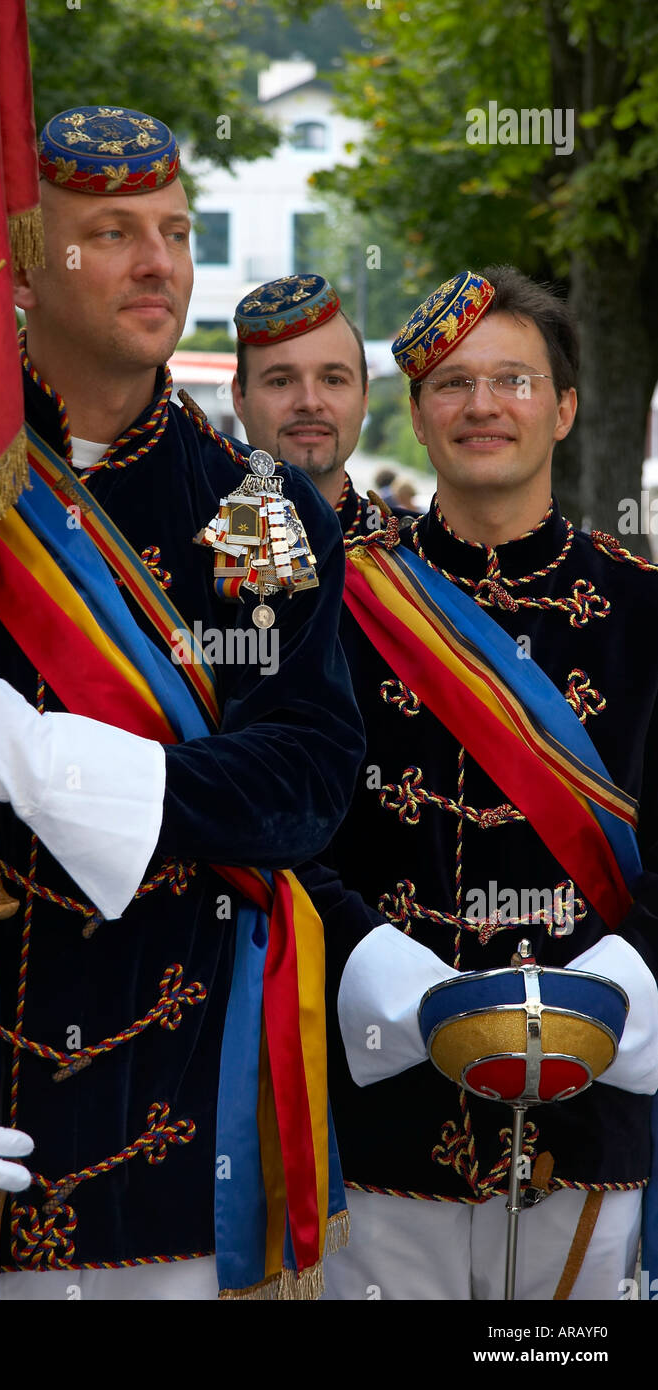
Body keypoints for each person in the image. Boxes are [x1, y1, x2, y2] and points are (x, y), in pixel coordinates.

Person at [0, 107, 364, 1300]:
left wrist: (49, 761)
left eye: (174, 230)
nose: (159, 262)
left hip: (162, 1162)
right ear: (15, 257)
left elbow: (306, 786)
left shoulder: (259, 510)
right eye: (109, 232)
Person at [302, 266, 658, 1300]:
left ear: (565, 406)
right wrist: (394, 990)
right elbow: (287, 837)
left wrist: (611, 999)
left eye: (512, 380)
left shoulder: (643, 611)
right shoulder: (337, 605)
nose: (483, 406)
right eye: (452, 384)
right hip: (380, 1122)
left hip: (591, 1124)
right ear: (416, 415)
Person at [231, 275, 378, 540]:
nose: (310, 403)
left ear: (364, 397)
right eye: (281, 381)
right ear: (240, 398)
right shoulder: (193, 549)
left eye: (333, 380)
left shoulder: (410, 554)